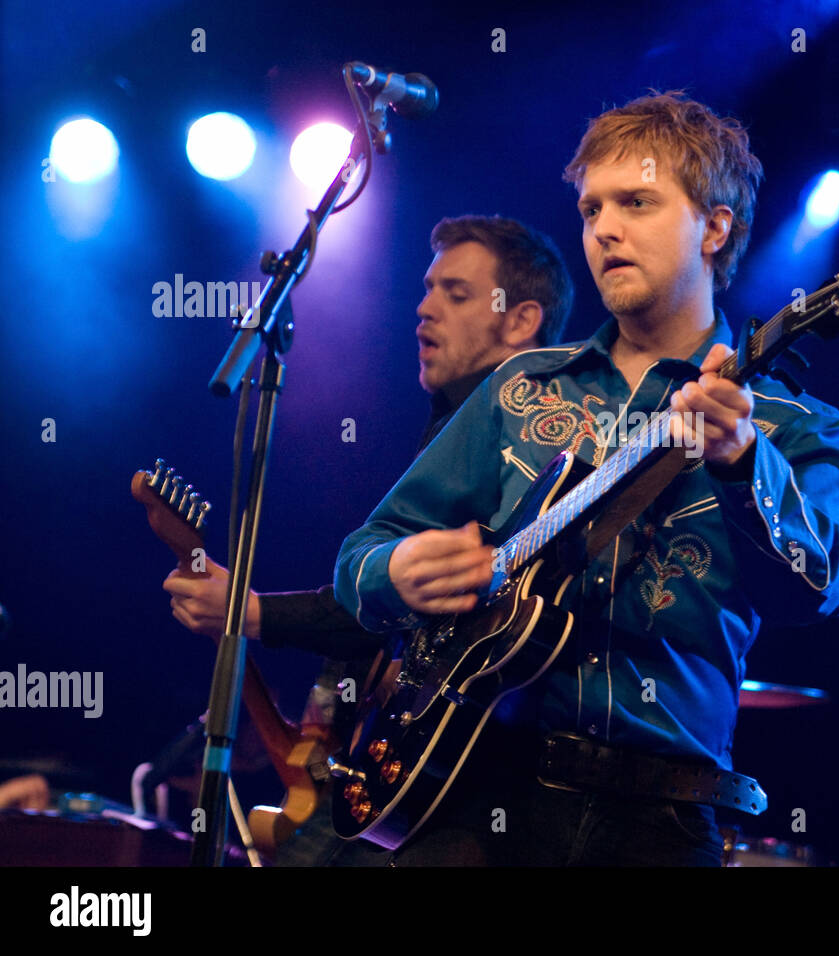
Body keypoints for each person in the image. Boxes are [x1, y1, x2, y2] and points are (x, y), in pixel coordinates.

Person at [333, 91, 839, 867]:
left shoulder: (797, 427)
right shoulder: (521, 387)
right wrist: (397, 569)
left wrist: (745, 461)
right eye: (590, 209)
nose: (604, 228)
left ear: (715, 227)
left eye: (636, 202)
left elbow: (815, 592)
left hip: (661, 822)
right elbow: (363, 553)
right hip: (477, 793)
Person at [161, 215, 573, 864]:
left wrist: (255, 613)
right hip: (404, 782)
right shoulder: (447, 430)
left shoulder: (531, 443)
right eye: (427, 289)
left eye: (456, 294)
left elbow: (409, 608)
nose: (424, 309)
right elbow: (389, 602)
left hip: (481, 794)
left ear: (522, 320)